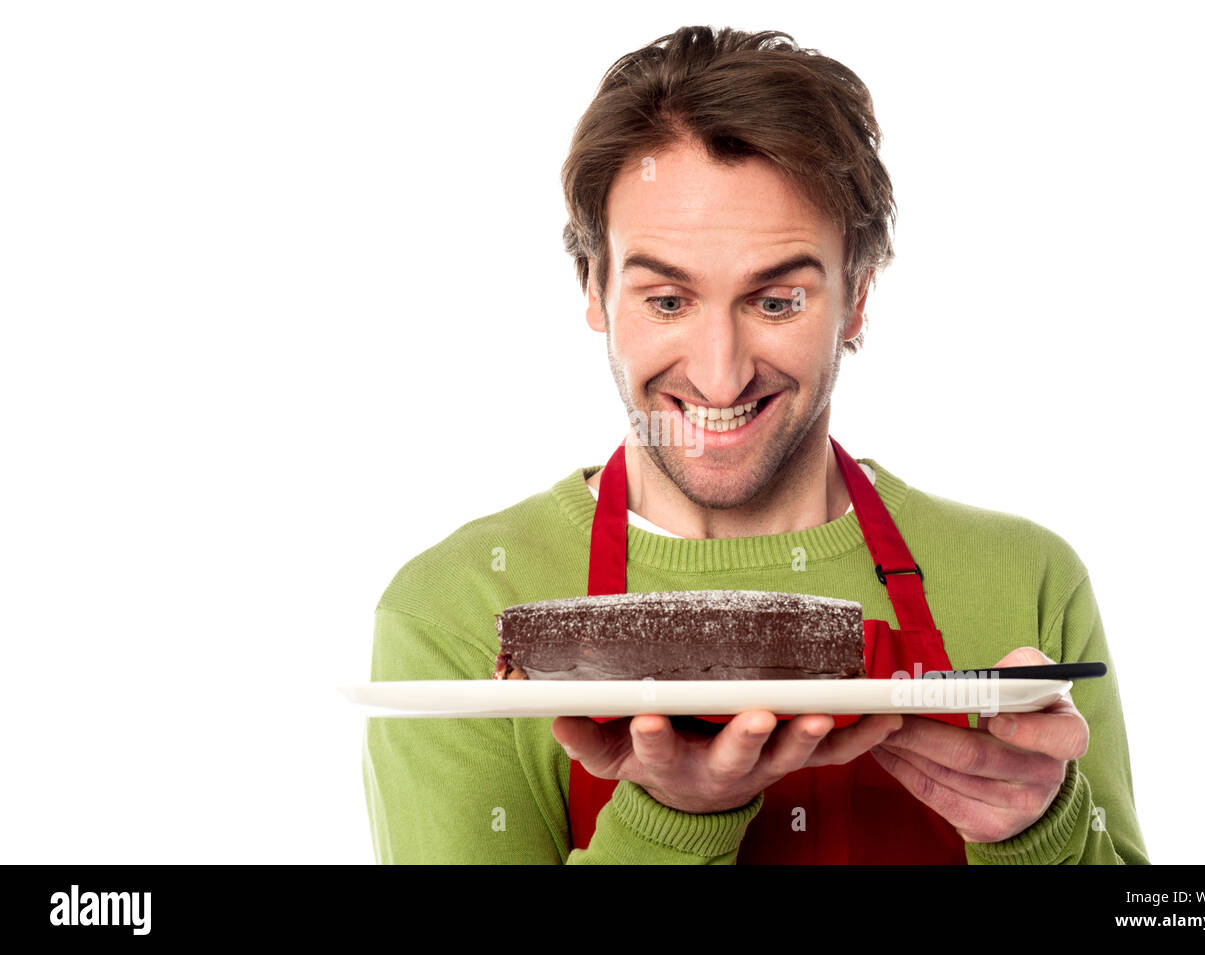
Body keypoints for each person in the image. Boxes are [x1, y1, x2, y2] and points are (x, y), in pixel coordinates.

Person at [362, 25, 1148, 865]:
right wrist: (672, 817)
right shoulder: (451, 612)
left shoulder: (1024, 577)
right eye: (667, 300)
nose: (720, 374)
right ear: (593, 288)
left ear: (857, 295)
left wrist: (1041, 833)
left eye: (776, 301)